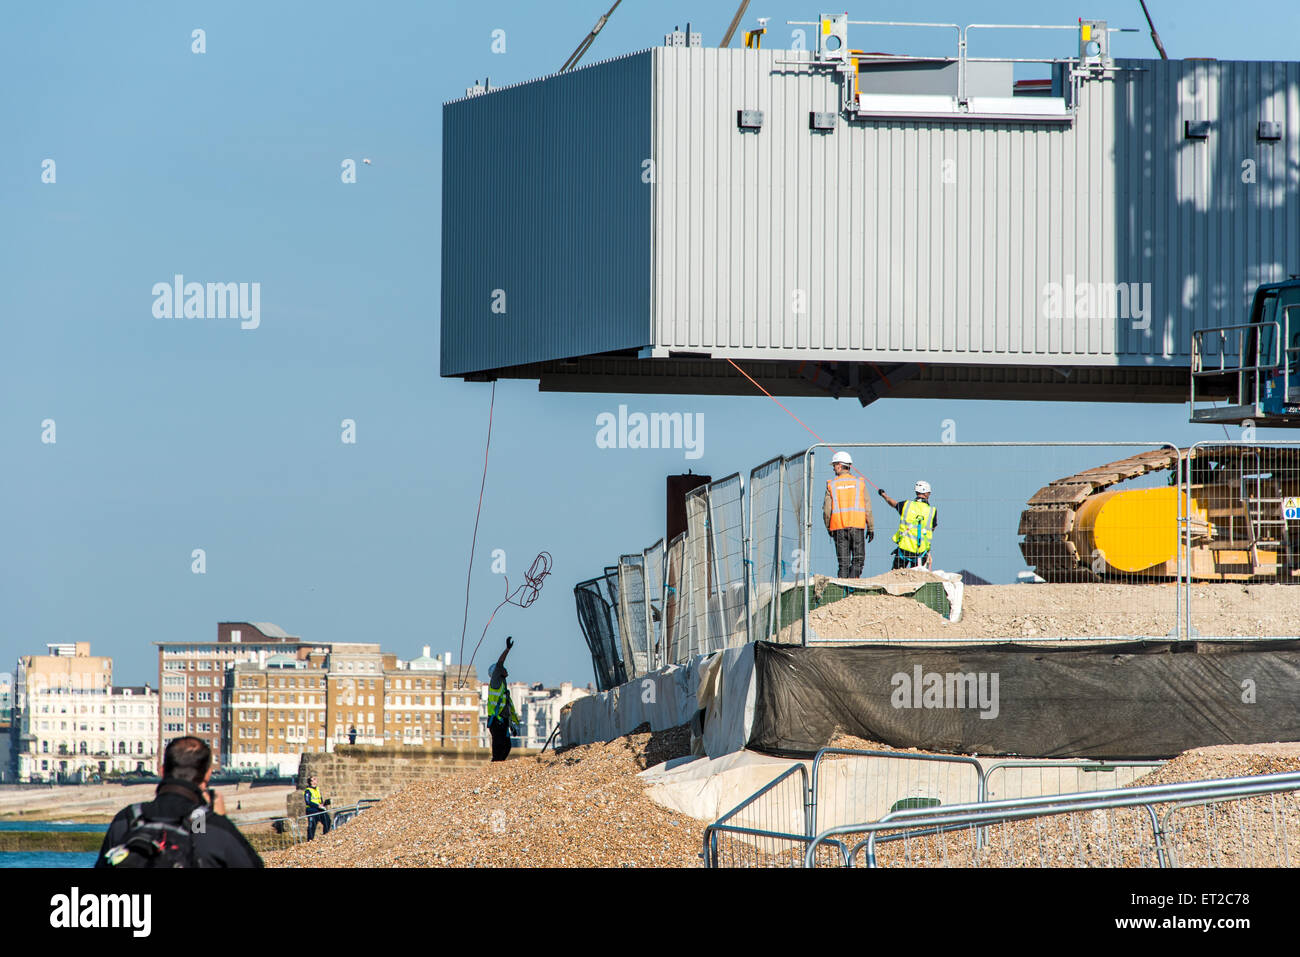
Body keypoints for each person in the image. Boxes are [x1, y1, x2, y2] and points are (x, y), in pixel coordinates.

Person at [96, 736, 263, 868]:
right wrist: (221, 819)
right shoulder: (206, 823)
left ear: (162, 771)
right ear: (207, 775)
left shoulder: (128, 818)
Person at [823, 450, 873, 579]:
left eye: (834, 465)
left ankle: (843, 594)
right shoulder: (859, 483)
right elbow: (867, 507)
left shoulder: (832, 484)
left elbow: (827, 510)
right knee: (858, 561)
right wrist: (871, 527)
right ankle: (852, 589)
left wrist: (829, 527)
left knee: (843, 564)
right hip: (857, 526)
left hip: (838, 528)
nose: (833, 469)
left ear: (839, 465)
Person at [879, 480, 939, 569]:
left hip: (904, 549)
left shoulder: (906, 505)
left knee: (896, 577)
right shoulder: (932, 511)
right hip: (921, 552)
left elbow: (893, 503)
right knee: (917, 580)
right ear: (926, 494)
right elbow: (932, 528)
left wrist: (884, 495)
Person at [486, 637, 521, 762]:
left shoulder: (504, 688)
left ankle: (498, 767)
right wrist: (507, 649)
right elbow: (500, 663)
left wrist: (513, 726)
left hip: (503, 722)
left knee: (507, 747)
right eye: (502, 669)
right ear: (498, 672)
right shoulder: (495, 682)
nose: (506, 669)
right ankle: (494, 768)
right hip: (497, 722)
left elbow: (509, 709)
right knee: (499, 748)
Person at [304, 775, 332, 840]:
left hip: (320, 810)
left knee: (327, 821)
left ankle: (325, 836)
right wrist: (317, 806)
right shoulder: (307, 791)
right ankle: (309, 842)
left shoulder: (317, 789)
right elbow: (308, 802)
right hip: (312, 810)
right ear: (311, 782)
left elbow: (320, 799)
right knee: (312, 827)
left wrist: (324, 803)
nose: (316, 780)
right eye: (314, 779)